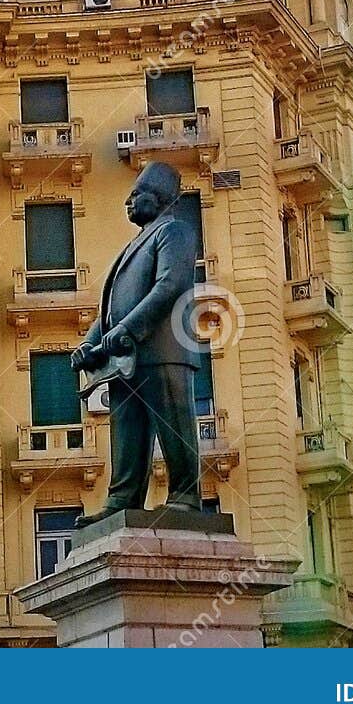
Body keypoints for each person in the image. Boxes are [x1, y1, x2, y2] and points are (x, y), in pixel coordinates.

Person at [70, 160, 202, 524]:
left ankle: (186, 496)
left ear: (159, 198)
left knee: (173, 423)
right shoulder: (134, 244)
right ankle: (122, 500)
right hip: (124, 358)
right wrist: (90, 341)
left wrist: (127, 330)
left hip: (164, 349)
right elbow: (111, 306)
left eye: (136, 195)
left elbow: (169, 286)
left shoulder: (175, 231)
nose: (128, 203)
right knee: (127, 430)